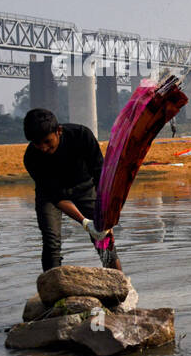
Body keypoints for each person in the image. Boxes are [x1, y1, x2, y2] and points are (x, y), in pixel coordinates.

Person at [22, 108, 122, 272]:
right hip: (51, 196)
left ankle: (119, 282)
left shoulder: (81, 135)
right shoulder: (32, 158)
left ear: (59, 131)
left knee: (103, 238)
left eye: (47, 141)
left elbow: (100, 175)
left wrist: (105, 215)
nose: (43, 148)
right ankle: (53, 287)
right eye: (37, 144)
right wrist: (85, 222)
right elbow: (55, 196)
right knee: (51, 241)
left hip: (84, 187)